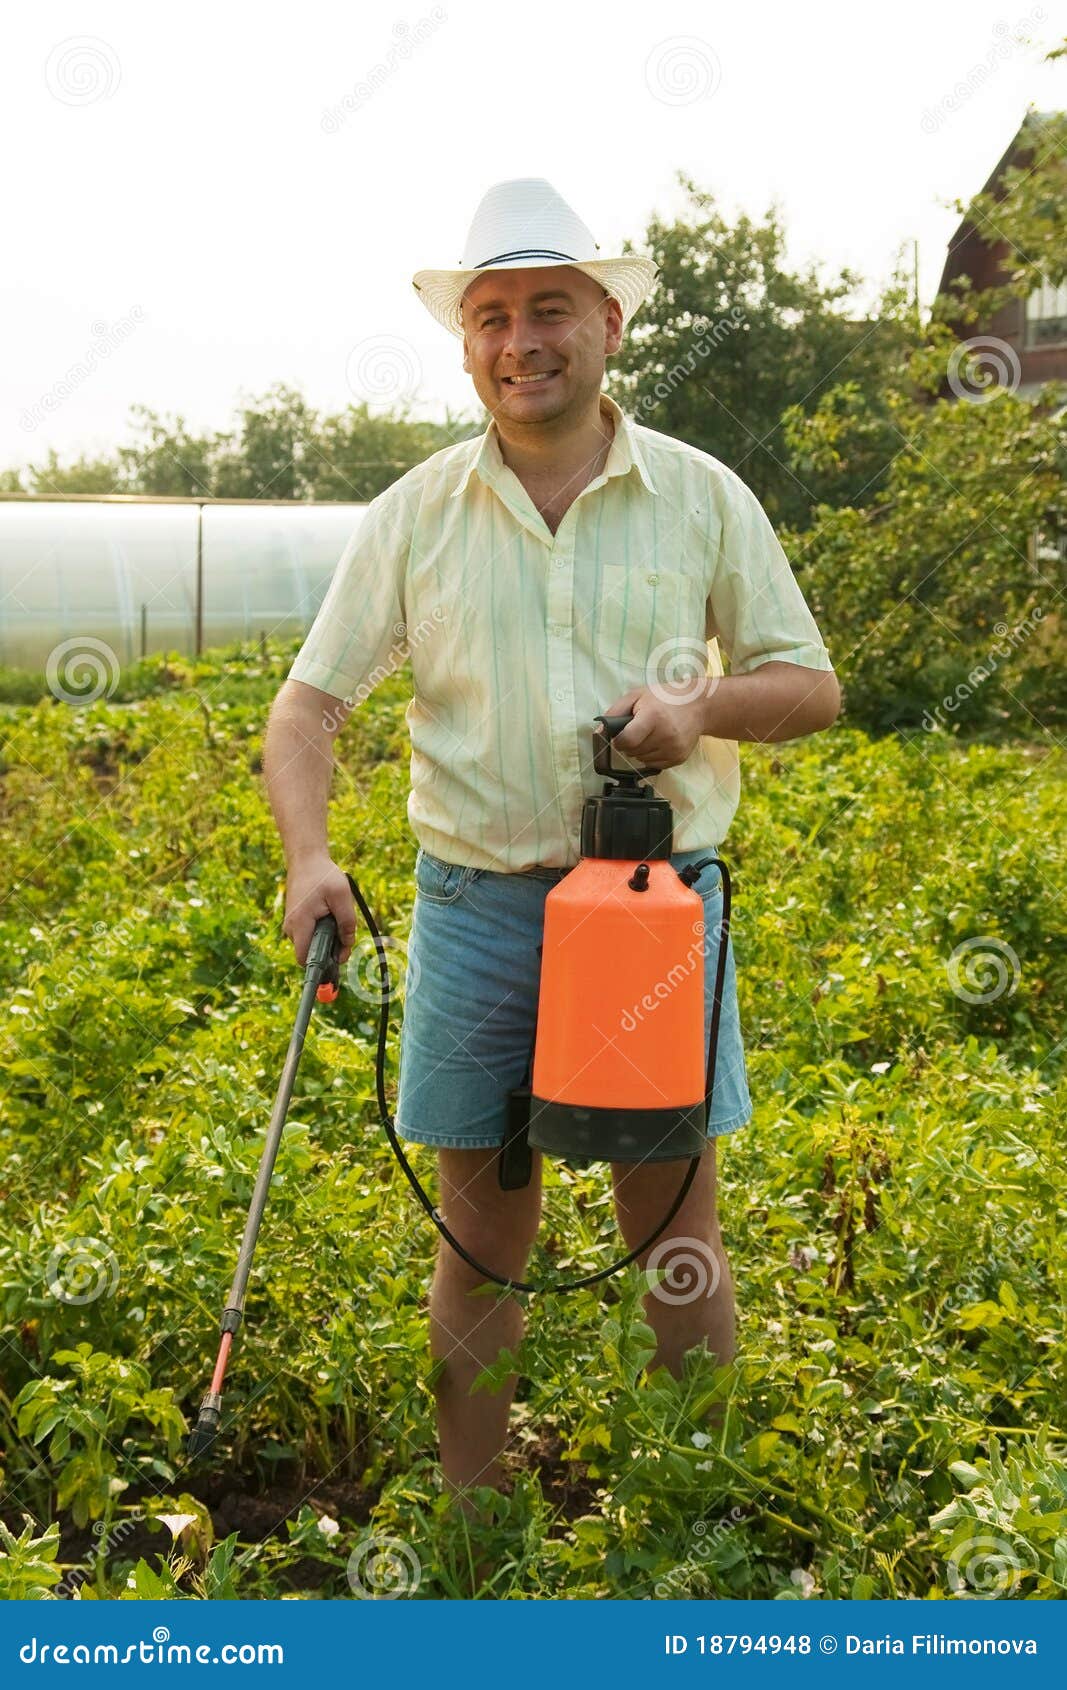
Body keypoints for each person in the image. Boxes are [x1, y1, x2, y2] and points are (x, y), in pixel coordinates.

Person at [262, 177, 840, 1515]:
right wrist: (309, 858)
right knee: (482, 1227)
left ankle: (693, 1515)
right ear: (466, 344)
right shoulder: (415, 513)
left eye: (551, 309)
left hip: (650, 904)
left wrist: (700, 711)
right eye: (493, 317)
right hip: (477, 908)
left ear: (610, 324)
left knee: (670, 1220)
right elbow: (307, 707)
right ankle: (476, 1521)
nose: (521, 340)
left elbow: (810, 687)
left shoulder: (700, 496)